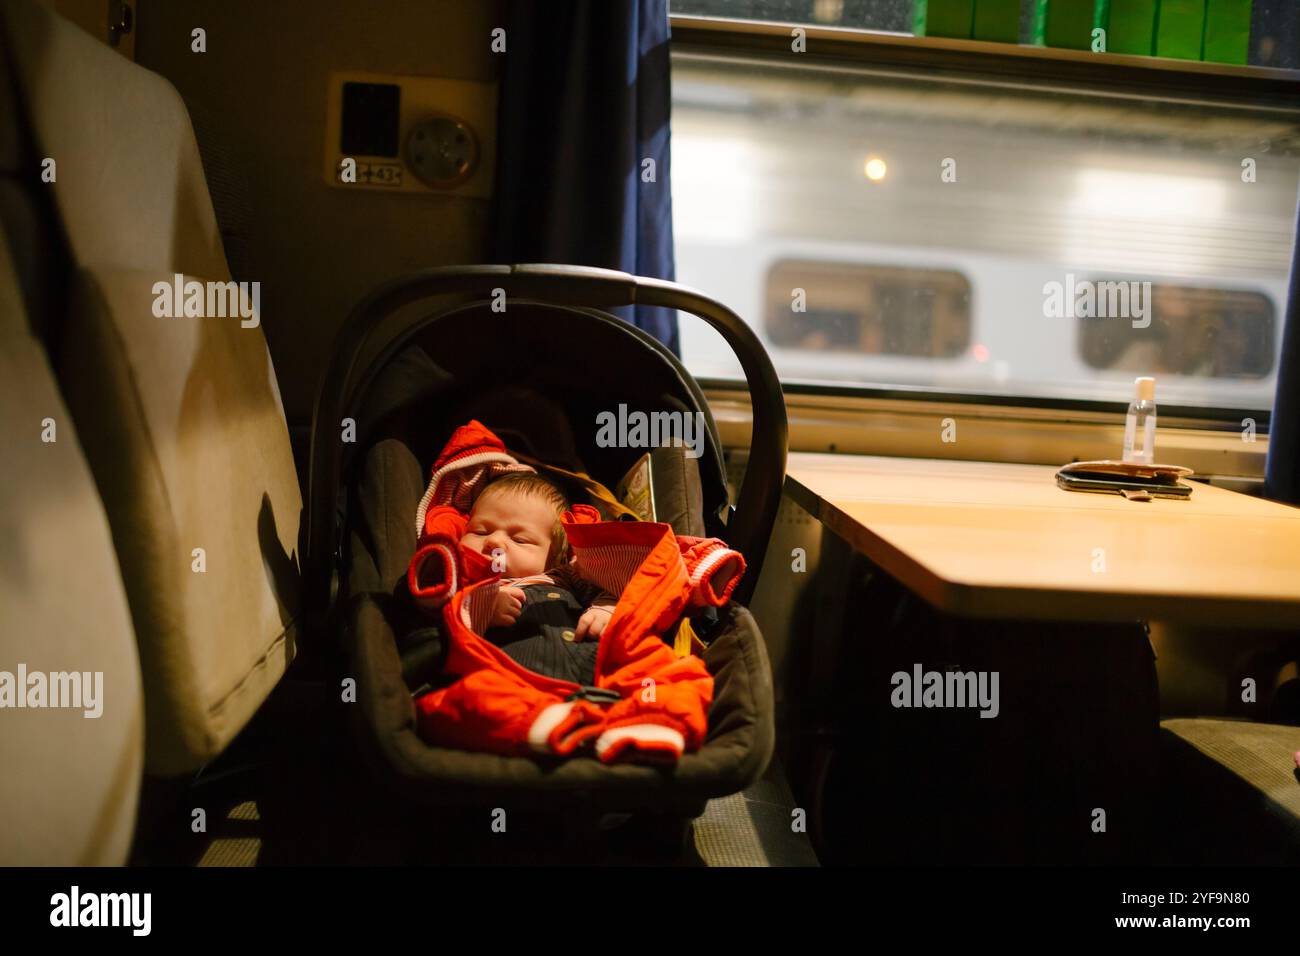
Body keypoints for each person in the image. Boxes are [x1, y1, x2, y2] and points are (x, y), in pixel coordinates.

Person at [459, 472, 618, 684]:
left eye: (519, 539)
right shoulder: (461, 582)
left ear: (555, 558)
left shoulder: (564, 575)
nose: (494, 541)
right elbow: (445, 628)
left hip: (590, 667)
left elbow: (613, 585)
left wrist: (605, 607)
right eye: (480, 531)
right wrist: (483, 607)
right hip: (511, 681)